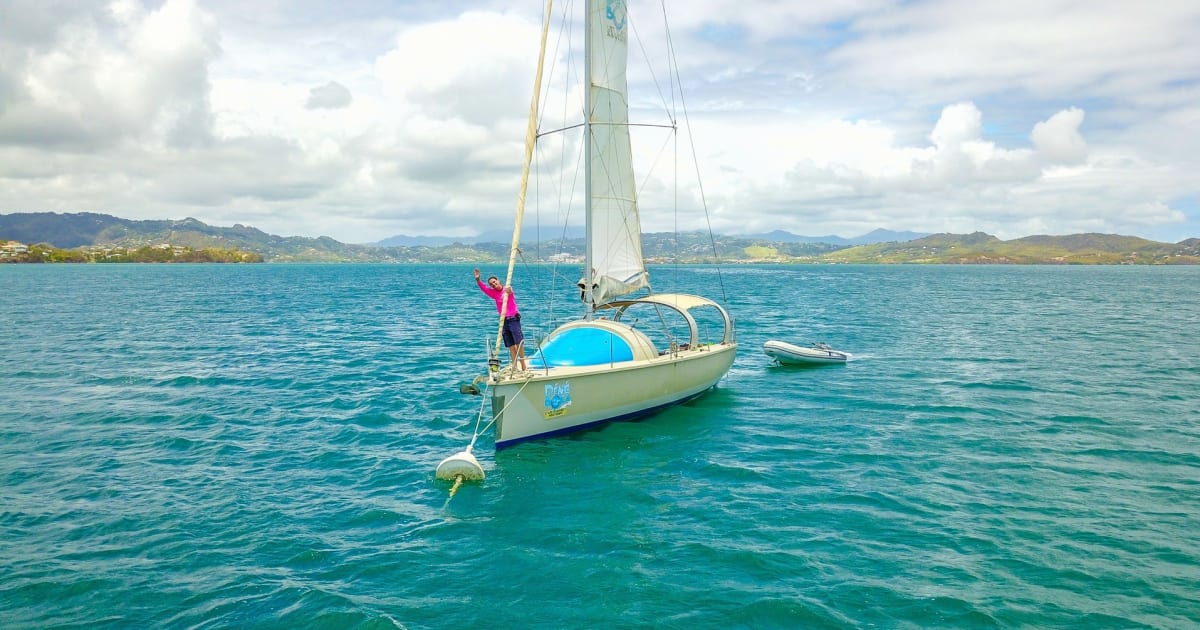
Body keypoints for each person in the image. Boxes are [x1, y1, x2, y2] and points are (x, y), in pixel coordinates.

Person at [474, 268, 528, 372]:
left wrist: (509, 291)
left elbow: (510, 291)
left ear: (498, 280)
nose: (493, 284)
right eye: (491, 284)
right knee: (511, 345)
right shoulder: (494, 293)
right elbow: (484, 288)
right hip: (504, 321)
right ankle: (515, 367)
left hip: (513, 318)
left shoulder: (507, 289)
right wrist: (478, 280)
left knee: (518, 342)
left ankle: (523, 365)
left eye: (494, 282)